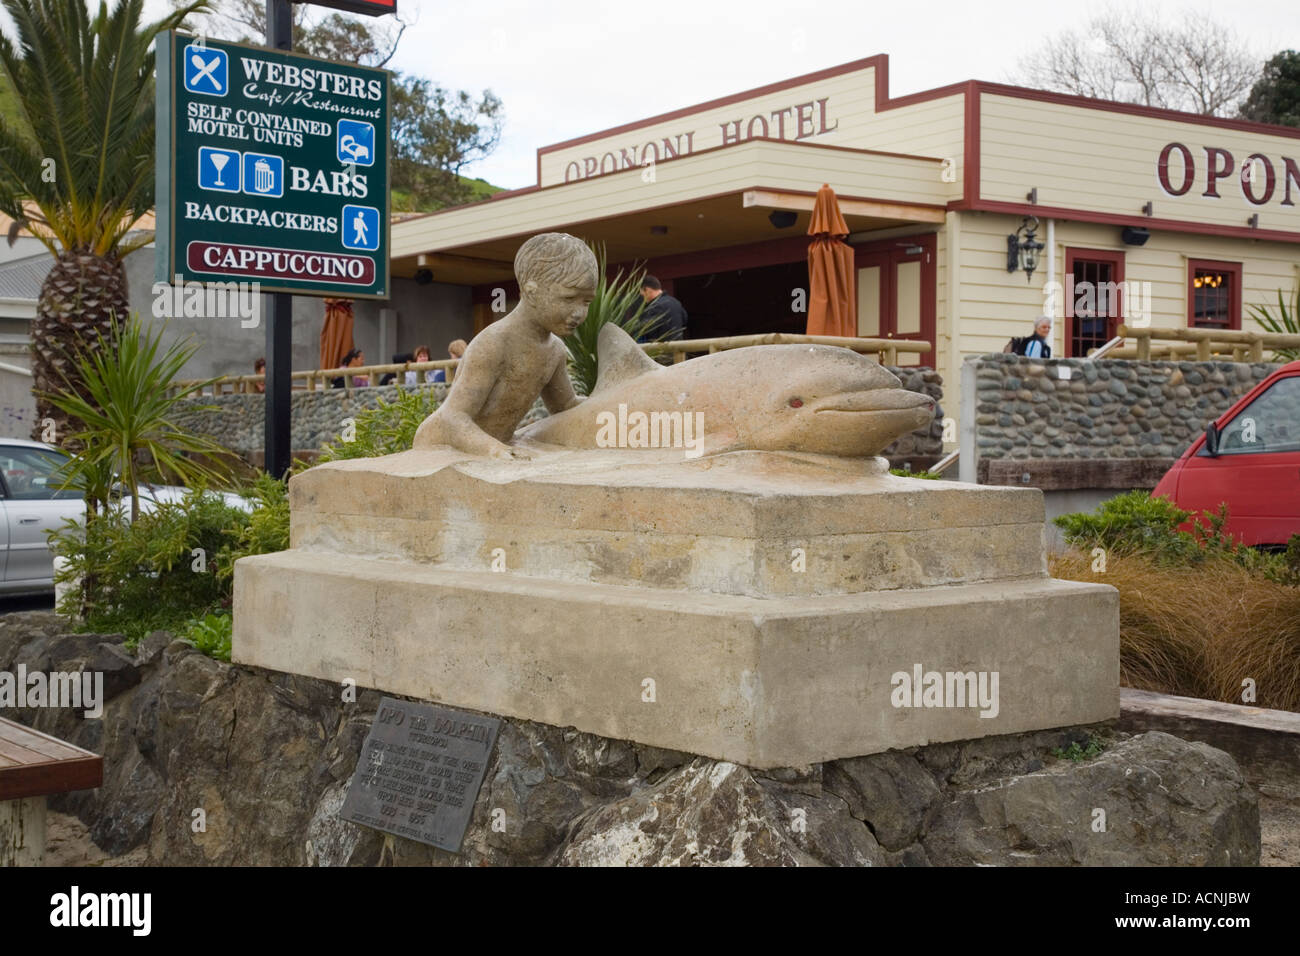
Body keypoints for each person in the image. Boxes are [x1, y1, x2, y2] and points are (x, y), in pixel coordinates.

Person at [412, 233, 592, 459]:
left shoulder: (555, 350)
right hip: (441, 448)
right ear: (531, 292)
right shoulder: (494, 343)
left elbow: (564, 405)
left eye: (587, 302)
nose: (579, 313)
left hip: (495, 447)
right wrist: (493, 449)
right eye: (569, 299)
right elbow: (453, 417)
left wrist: (611, 403)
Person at [639, 276, 687, 340]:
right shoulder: (675, 302)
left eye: (642, 294)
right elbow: (685, 320)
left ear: (647, 290)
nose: (643, 299)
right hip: (679, 346)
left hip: (660, 347)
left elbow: (647, 329)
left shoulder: (654, 306)